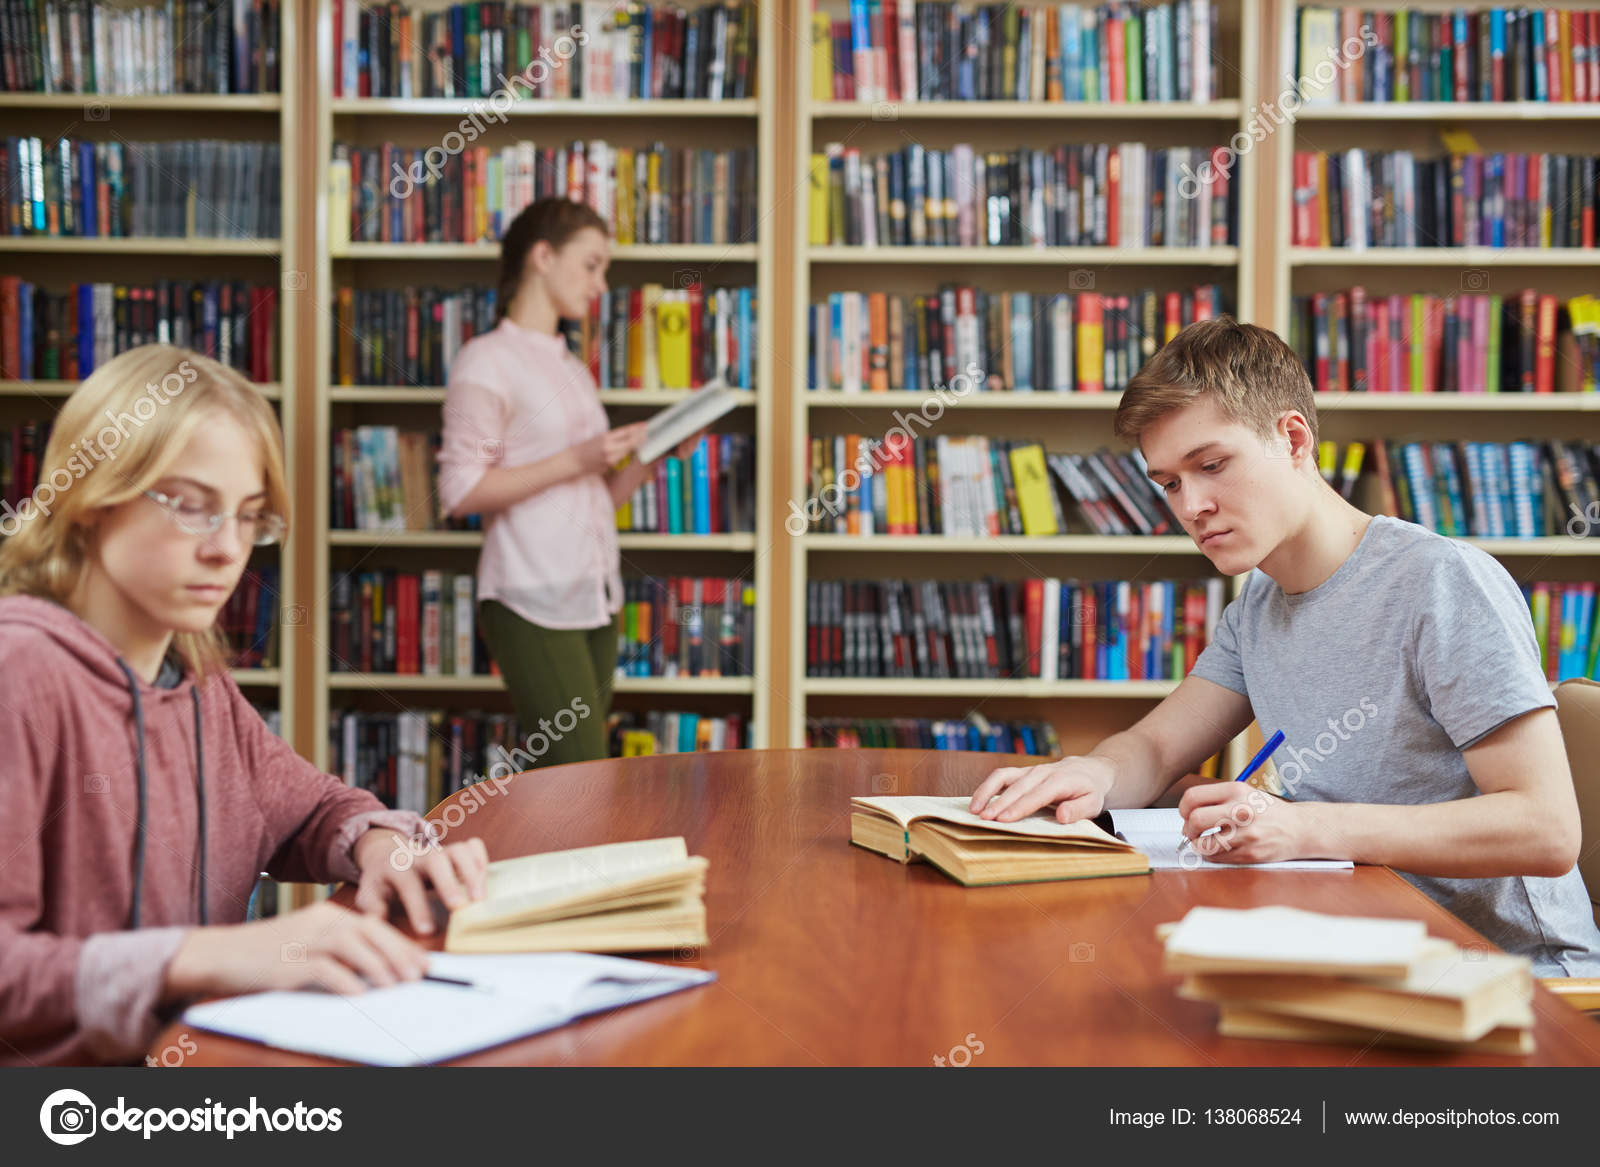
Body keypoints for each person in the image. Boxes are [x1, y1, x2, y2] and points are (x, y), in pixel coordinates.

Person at [968, 316, 1600, 976]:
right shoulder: (1259, 607)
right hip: (1355, 938)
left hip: (1510, 974)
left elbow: (1546, 829)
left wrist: (1302, 827)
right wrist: (1093, 773)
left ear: (1293, 439)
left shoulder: (1441, 582)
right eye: (1170, 483)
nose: (1191, 507)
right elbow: (1155, 748)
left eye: (1211, 465)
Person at [0, 346, 489, 1065]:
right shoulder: (21, 672)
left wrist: (379, 846)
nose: (228, 550)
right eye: (190, 506)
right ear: (91, 498)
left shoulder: (197, 678)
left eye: (249, 516)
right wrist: (210, 956)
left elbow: (308, 808)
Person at [438, 198, 703, 768]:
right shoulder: (485, 361)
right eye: (591, 265)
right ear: (543, 257)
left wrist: (652, 458)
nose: (601, 284)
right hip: (532, 596)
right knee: (582, 776)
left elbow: (595, 499)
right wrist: (575, 459)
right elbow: (459, 492)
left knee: (566, 780)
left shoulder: (571, 367)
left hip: (595, 596)